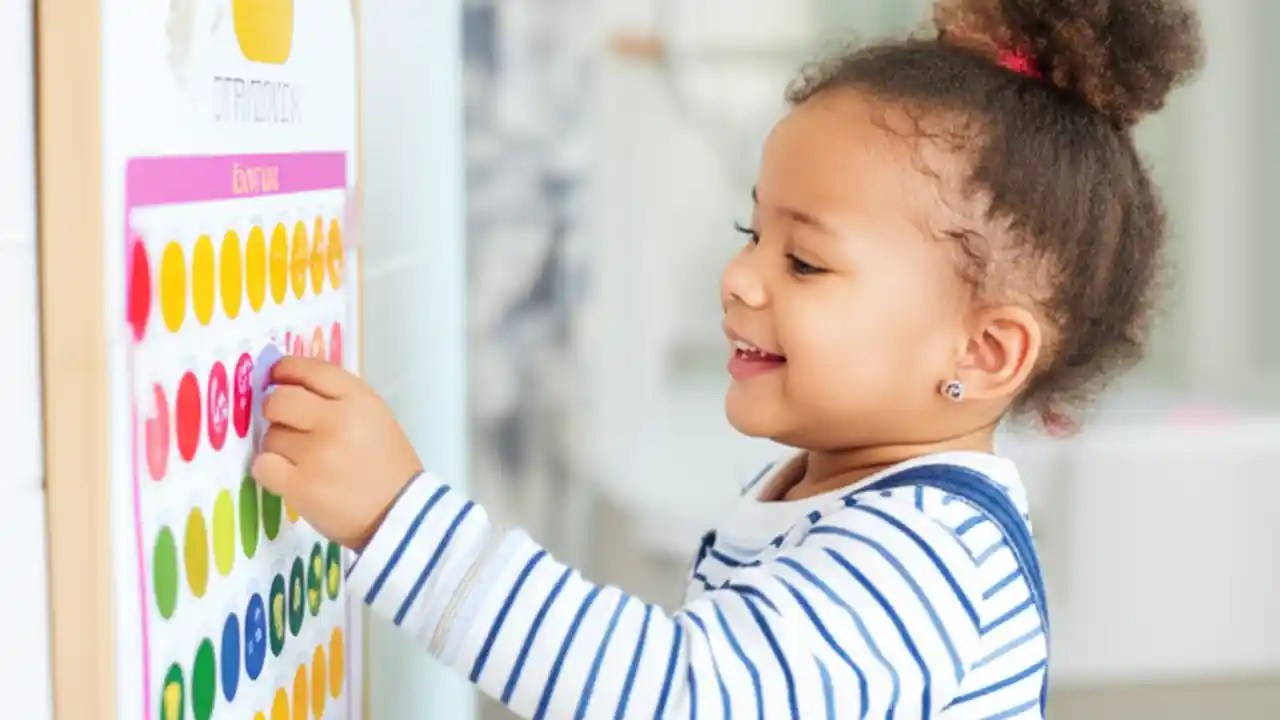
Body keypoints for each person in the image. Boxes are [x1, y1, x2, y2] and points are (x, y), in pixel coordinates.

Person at [251, 1, 1203, 716]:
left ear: (983, 352)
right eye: (754, 231)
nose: (740, 277)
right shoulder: (844, 498)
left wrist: (398, 523)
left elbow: (679, 696)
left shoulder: (924, 559)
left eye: (804, 260)